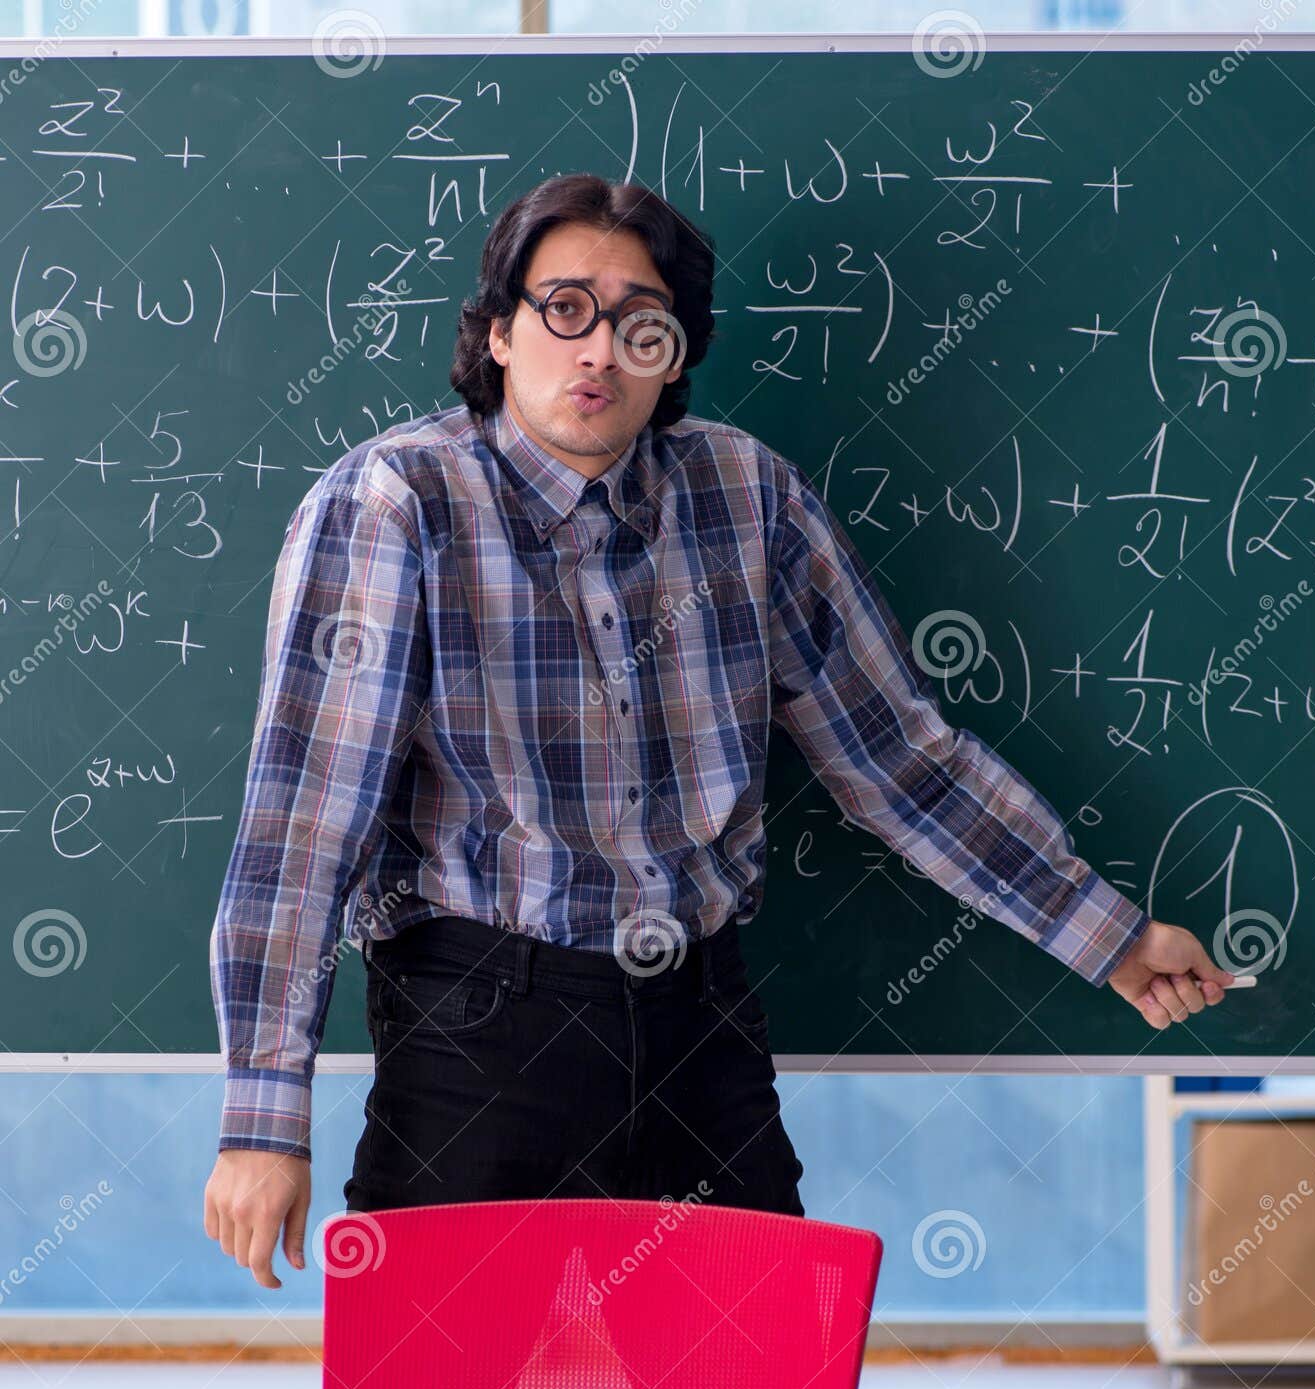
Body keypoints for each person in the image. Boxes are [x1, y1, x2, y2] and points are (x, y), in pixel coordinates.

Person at [204, 173, 1233, 1290]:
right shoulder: (394, 504)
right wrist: (262, 1122)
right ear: (499, 331)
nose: (599, 350)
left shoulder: (750, 496)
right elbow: (306, 828)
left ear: (675, 355)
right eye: (564, 308)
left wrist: (1108, 934)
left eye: (640, 323)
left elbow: (896, 759)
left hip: (699, 1025)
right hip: (478, 1028)